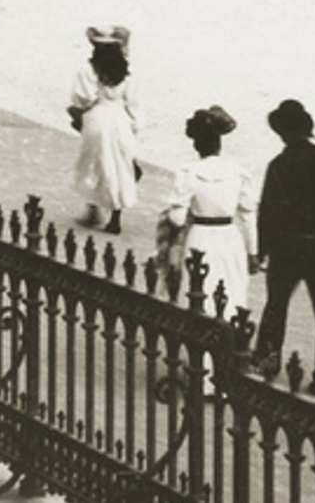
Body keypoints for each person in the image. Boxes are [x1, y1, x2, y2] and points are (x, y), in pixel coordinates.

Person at [252, 99, 315, 396]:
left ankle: (267, 359)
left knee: (276, 305)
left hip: (288, 247)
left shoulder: (279, 165)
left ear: (283, 134)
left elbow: (266, 211)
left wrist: (262, 249)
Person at [157, 106, 257, 325]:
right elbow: (248, 215)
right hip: (230, 239)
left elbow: (178, 218)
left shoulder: (188, 172)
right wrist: (252, 252)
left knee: (199, 291)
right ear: (220, 143)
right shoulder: (239, 172)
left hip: (200, 238)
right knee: (232, 292)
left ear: (195, 144)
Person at [68, 26, 140, 234]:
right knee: (120, 167)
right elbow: (134, 105)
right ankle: (115, 217)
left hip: (97, 119)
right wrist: (134, 127)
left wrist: (77, 112)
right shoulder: (126, 74)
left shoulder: (89, 70)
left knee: (94, 165)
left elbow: (83, 98)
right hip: (120, 121)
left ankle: (93, 209)